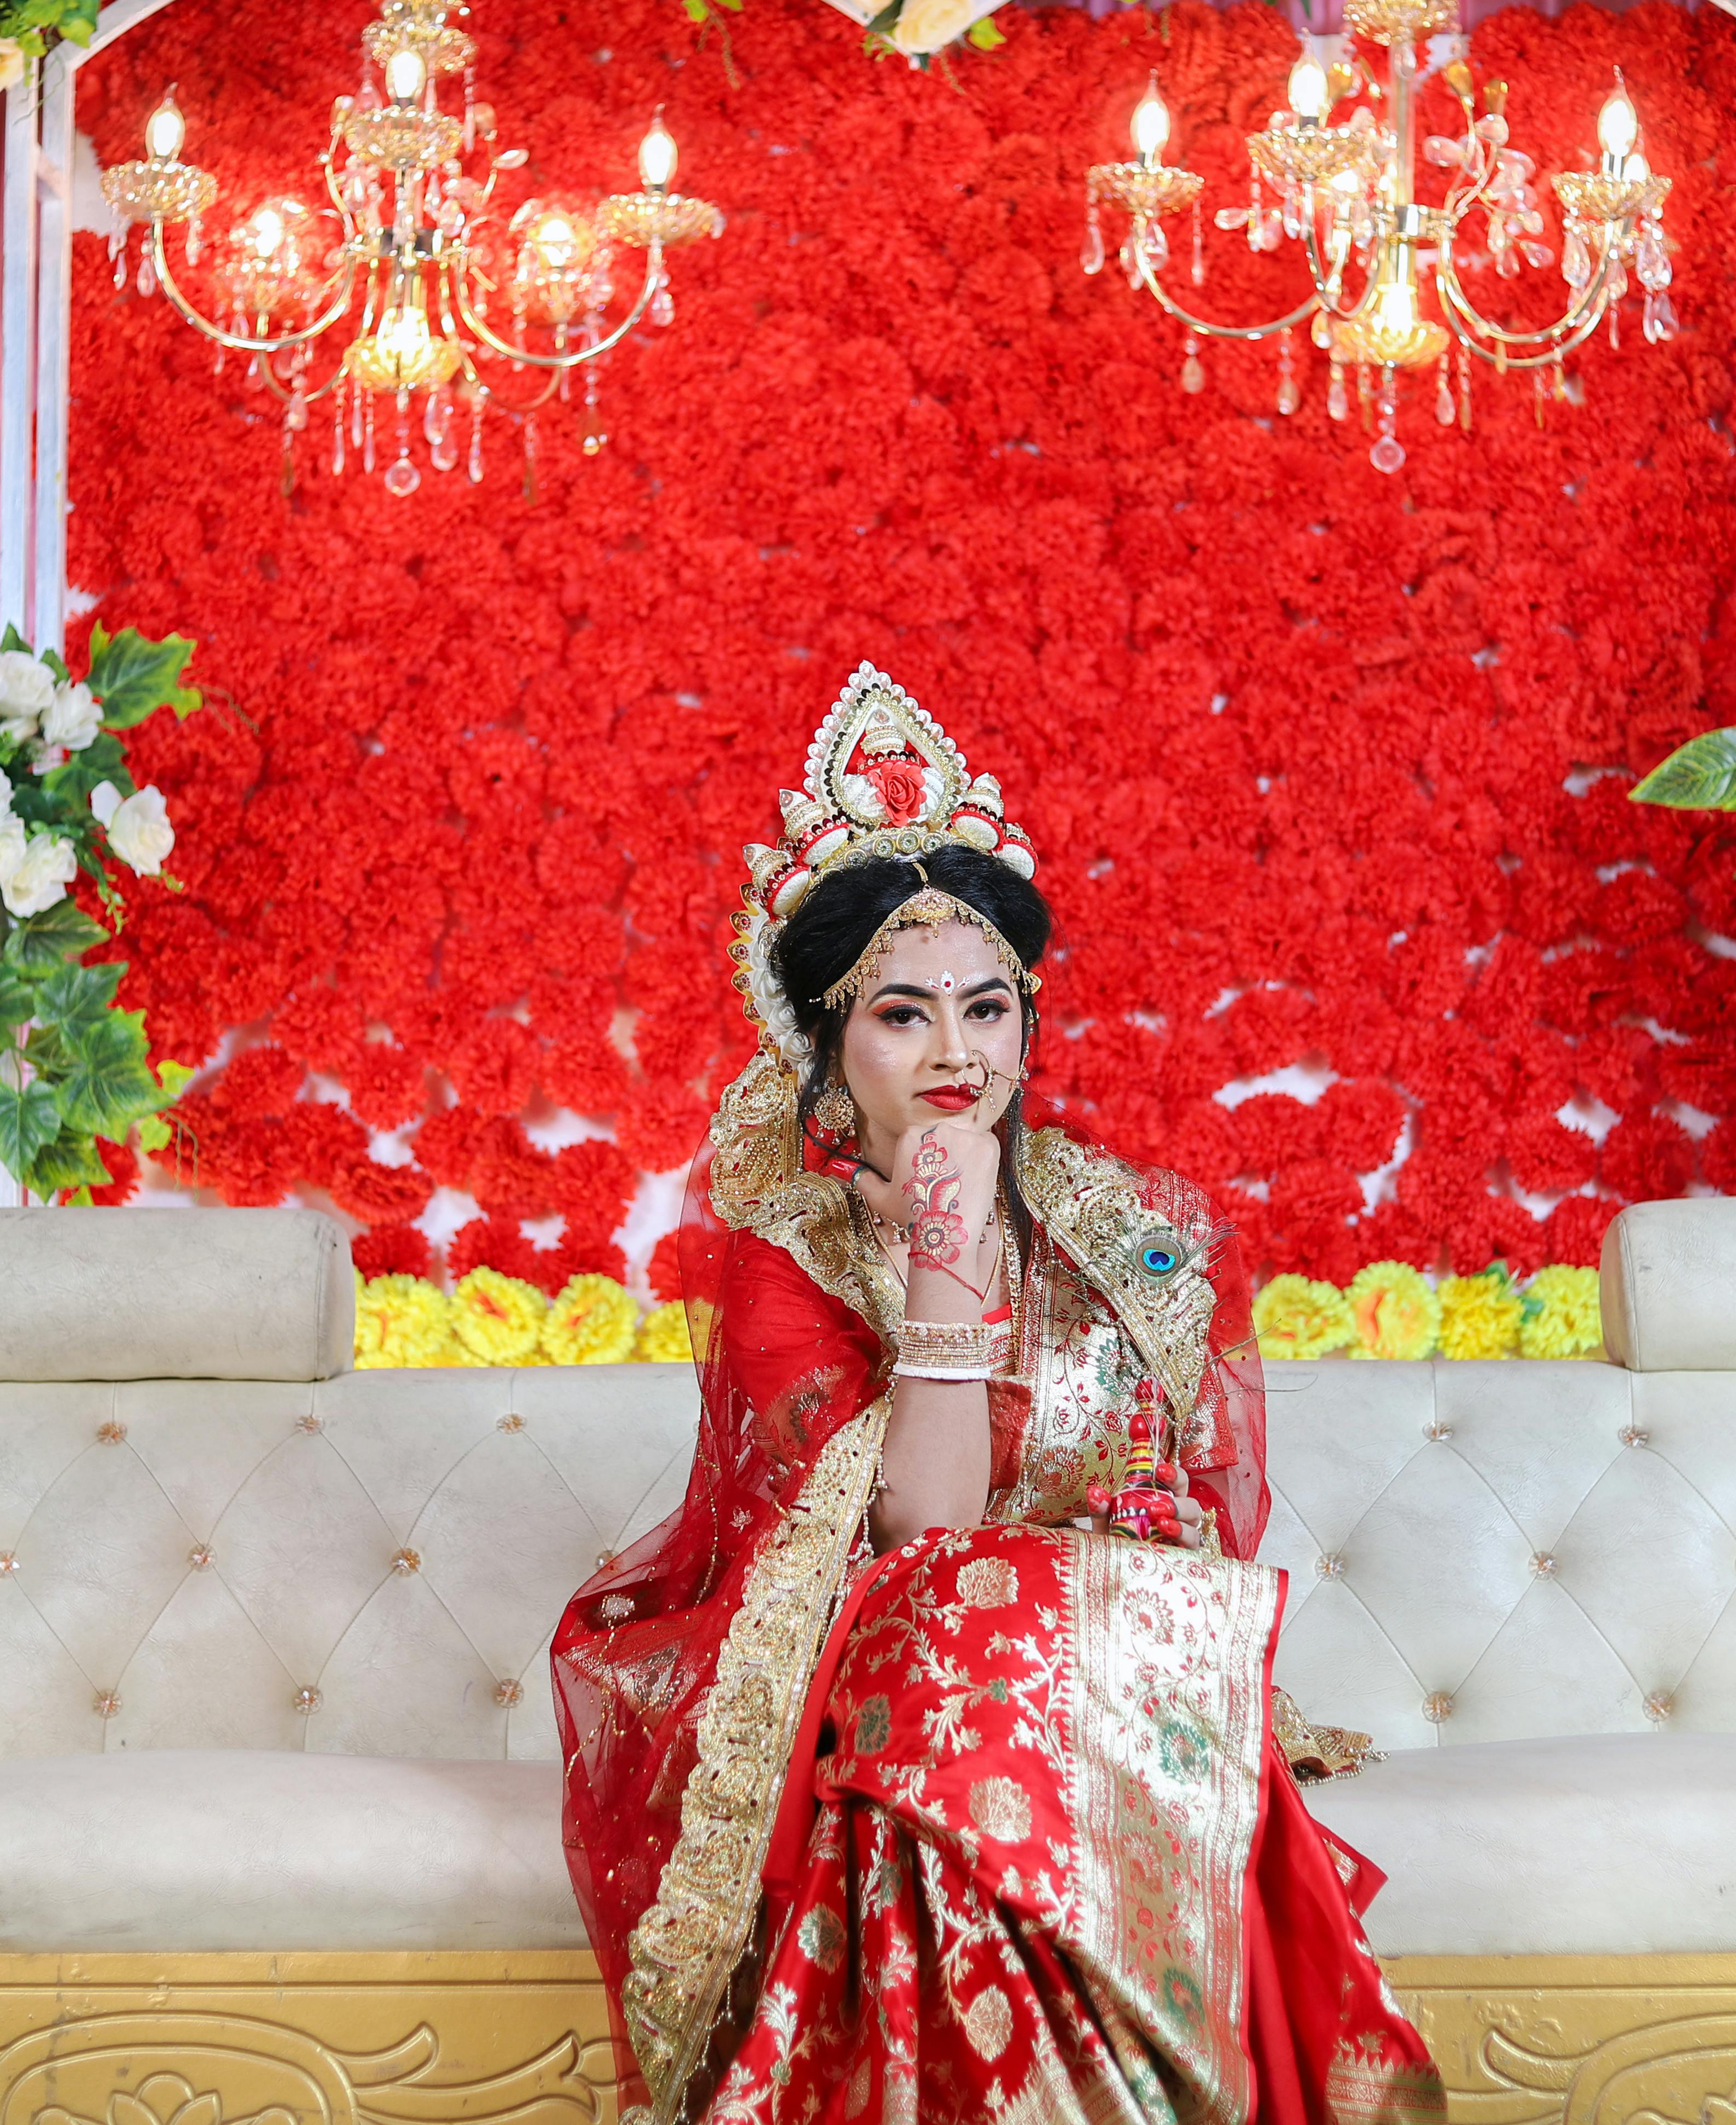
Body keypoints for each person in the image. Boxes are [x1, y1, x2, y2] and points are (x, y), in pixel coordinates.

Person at [552, 664, 1446, 2125]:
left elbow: (1191, 1514)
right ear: (828, 1054)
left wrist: (1109, 1546)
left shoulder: (1124, 1226)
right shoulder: (792, 1256)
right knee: (945, 1651)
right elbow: (917, 1531)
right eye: (902, 1017)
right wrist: (944, 1263)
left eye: (987, 1007)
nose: (958, 1053)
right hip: (884, 1673)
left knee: (1000, 1657)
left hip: (1110, 1667)